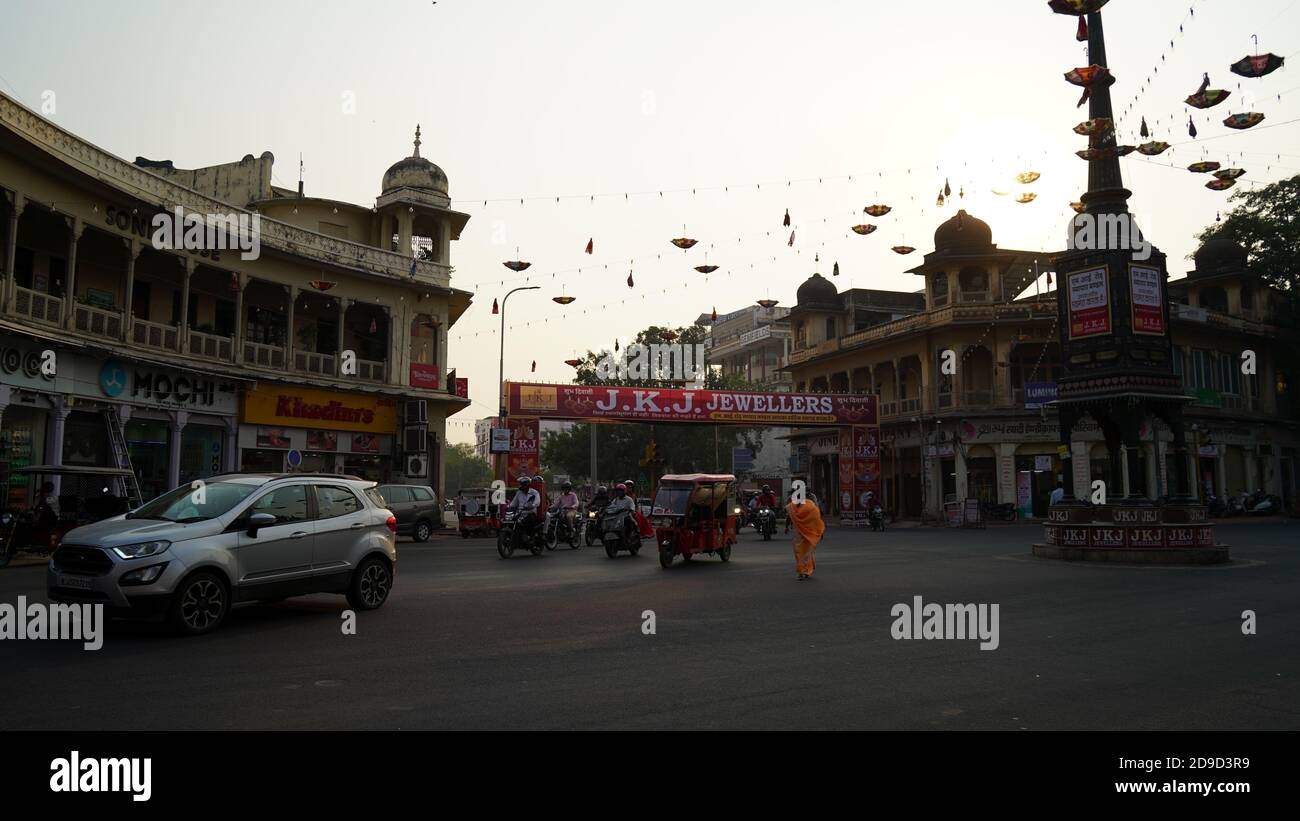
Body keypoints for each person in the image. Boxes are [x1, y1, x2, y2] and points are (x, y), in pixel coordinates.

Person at [785, 491, 825, 581]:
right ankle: (806, 571)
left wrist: (786, 527)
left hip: (800, 535)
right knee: (807, 553)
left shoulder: (793, 505)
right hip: (808, 535)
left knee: (800, 553)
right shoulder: (811, 506)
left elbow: (788, 517)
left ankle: (802, 572)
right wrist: (820, 533)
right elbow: (818, 519)